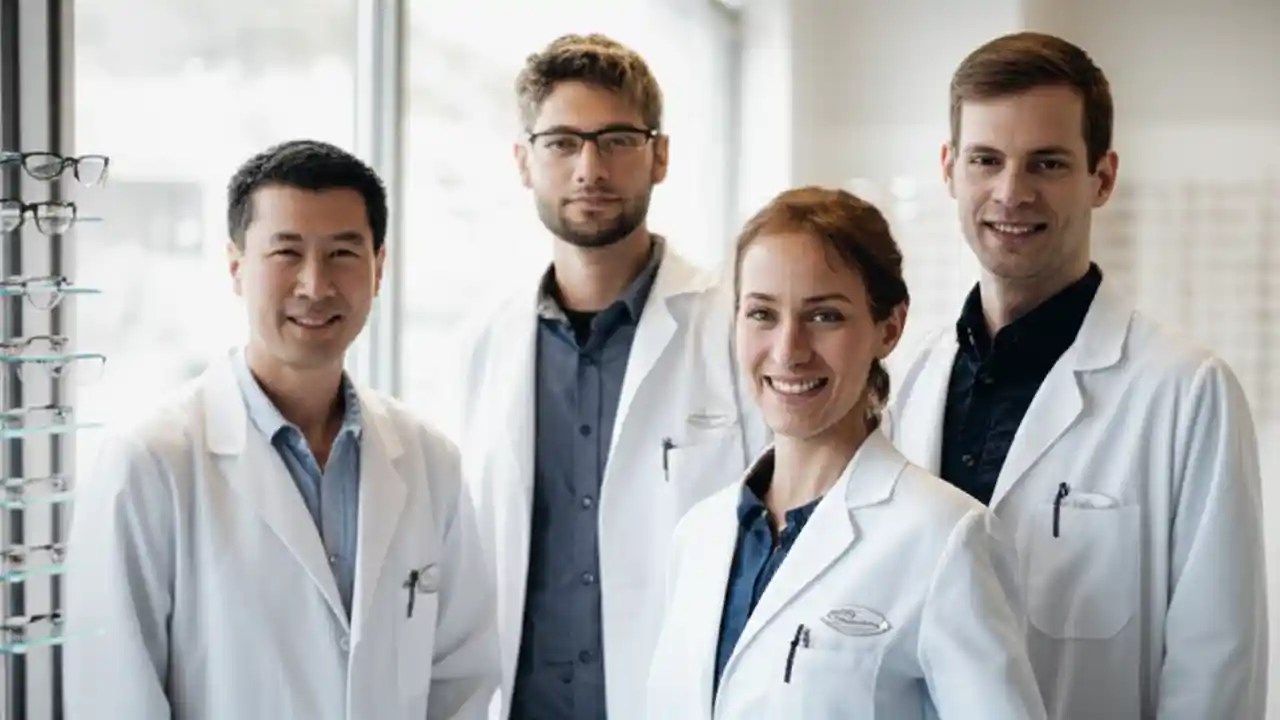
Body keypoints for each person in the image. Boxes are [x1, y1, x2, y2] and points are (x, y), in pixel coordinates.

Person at [886, 31, 1267, 719]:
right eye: (986, 160)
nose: (1011, 192)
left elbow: (1216, 673)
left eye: (1048, 163)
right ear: (949, 169)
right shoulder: (911, 384)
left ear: (1103, 177)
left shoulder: (1186, 394)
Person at [64, 140, 499, 719]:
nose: (315, 285)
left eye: (344, 253)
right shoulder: (150, 463)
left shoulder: (429, 461)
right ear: (236, 266)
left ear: (379, 269)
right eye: (286, 252)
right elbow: (114, 695)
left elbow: (462, 680)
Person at [452, 34, 767, 720]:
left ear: (660, 155)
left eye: (617, 140)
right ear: (523, 160)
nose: (589, 167)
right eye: (562, 142)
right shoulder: (487, 344)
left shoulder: (734, 326)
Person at [647, 186, 1046, 719]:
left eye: (824, 316)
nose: (789, 351)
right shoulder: (699, 535)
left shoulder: (946, 540)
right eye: (762, 315)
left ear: (889, 327)